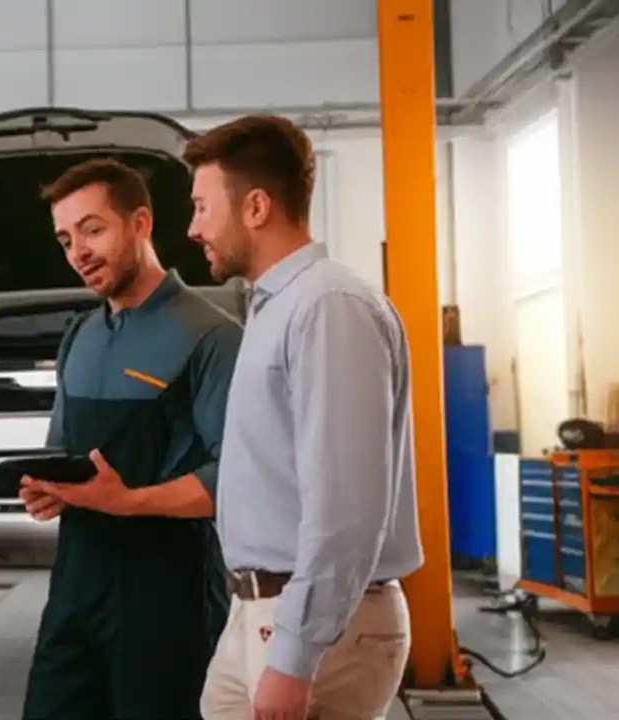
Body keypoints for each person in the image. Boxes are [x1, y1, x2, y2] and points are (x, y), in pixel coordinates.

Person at [185, 115, 424, 720]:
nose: (193, 228)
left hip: (316, 626)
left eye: (203, 207)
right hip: (260, 610)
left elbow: (347, 509)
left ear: (256, 207)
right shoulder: (277, 307)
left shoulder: (328, 306)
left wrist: (294, 657)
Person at [17, 157, 244, 719]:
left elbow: (238, 479)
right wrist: (49, 488)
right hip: (76, 586)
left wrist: (128, 501)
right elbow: (62, 452)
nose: (78, 252)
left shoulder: (212, 336)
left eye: (93, 230)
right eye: (66, 240)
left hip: (167, 595)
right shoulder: (81, 336)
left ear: (141, 223)